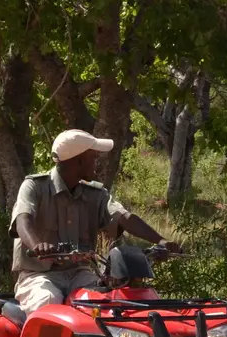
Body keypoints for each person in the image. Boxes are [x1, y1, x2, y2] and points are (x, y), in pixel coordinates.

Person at [10, 129, 181, 313]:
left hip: (80, 274)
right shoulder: (35, 187)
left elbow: (124, 217)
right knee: (49, 302)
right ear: (79, 160)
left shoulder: (95, 194)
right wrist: (37, 245)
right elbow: (23, 220)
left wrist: (160, 241)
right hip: (38, 276)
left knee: (108, 303)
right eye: (93, 157)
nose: (97, 163)